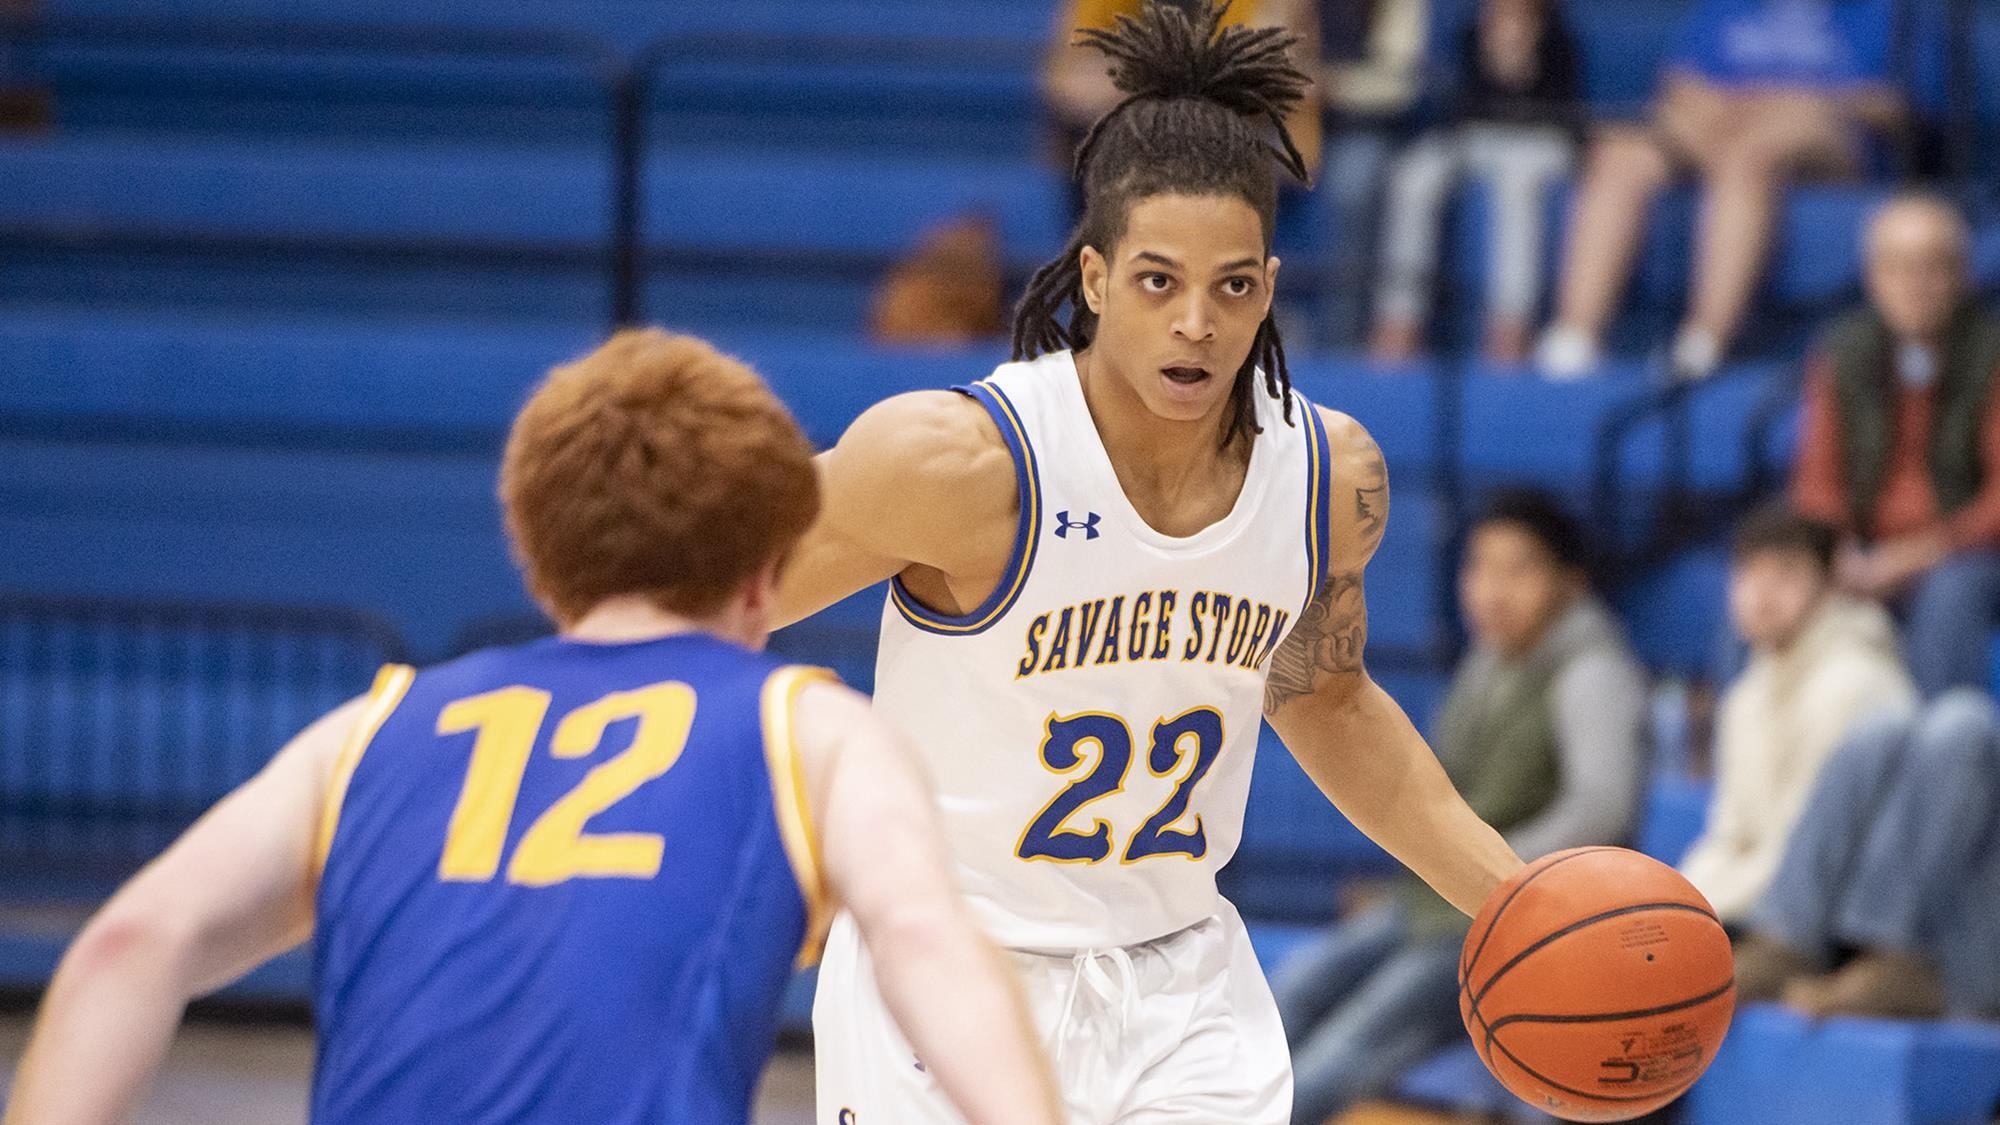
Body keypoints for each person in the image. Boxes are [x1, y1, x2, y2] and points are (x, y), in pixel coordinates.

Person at [2, 331, 1063, 1125]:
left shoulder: (371, 730)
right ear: (769, 570)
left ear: (538, 554)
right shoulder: (806, 729)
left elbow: (132, 945)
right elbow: (923, 943)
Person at [783, 5, 1525, 1120]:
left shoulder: (1325, 477)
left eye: (1231, 286)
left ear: (1270, 287)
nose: (1196, 324)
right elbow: (701, 609)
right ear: (1091, 278)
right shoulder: (957, 461)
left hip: (1181, 988)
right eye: (1156, 281)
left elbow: (1322, 695)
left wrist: (1514, 900)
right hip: (944, 971)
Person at [1272, 489, 1647, 1124]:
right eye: (1480, 567)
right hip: (1443, 900)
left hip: (1518, 920)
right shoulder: (1491, 660)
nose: (1492, 589)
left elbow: (1600, 811)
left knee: (1346, 1048)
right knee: (1294, 988)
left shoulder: (1593, 672)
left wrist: (1484, 874)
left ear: (1571, 583)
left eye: (1518, 569)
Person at [1536, 0, 1922, 381]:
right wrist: (1722, 110)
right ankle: (1574, 338)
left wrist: (1798, 103)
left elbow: (1899, 105)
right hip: (1720, 128)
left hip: (1823, 134)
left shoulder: (1882, 11)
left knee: (1749, 156)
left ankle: (1703, 342)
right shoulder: (1730, 6)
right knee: (1620, 156)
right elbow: (1679, 83)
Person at [1792, 193, 2000, 699]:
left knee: (1950, 596)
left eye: (1933, 267)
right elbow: (1816, 482)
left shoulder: (1992, 353)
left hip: (1966, 552)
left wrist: (1923, 553)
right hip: (1864, 551)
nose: (1916, 284)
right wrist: (1837, 555)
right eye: (1900, 267)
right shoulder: (1841, 353)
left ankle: (1938, 761)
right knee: (1772, 586)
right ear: (1873, 275)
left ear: (1962, 274)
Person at [1678, 503, 1916, 927]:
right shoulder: (1745, 696)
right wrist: (1675, 902)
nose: (1763, 592)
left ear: (1829, 588)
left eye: (1786, 573)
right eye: (1749, 572)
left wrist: (1697, 913)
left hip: (1837, 922)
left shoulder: (1855, 685)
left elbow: (1809, 850)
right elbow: (1731, 835)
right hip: (1763, 902)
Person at [1732, 689, 2000, 1023]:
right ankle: (1788, 943)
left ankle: (1896, 958)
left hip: (1967, 962)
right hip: (1856, 941)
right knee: (1879, 731)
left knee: (1964, 724)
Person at [1369, 0, 1584, 366]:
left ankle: (1509, 331)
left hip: (1538, 142)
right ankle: (1398, 323)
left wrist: (1522, 54)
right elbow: (1461, 105)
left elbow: (1563, 110)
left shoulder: (1559, 35)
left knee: (1516, 189)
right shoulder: (1471, 31)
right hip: (1478, 135)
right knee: (1414, 179)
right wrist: (1494, 51)